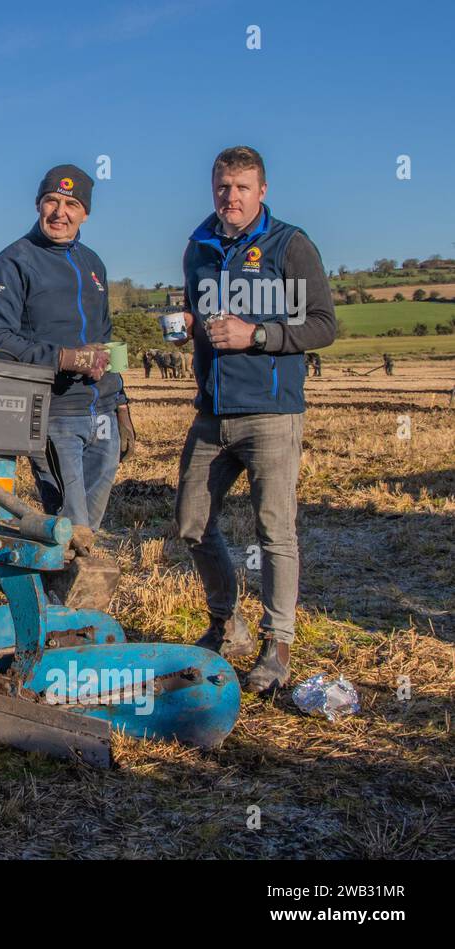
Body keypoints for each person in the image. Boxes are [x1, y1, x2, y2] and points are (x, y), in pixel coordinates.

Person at [174, 145, 337, 694]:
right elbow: (202, 320)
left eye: (242, 187)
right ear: (212, 188)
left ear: (262, 191)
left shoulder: (290, 245)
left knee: (275, 531)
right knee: (191, 522)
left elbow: (322, 326)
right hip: (211, 412)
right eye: (223, 186)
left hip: (271, 413)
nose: (231, 197)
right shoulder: (197, 248)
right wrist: (187, 328)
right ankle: (227, 623)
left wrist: (257, 335)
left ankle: (278, 643)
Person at [0, 164, 133, 545]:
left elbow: (107, 340)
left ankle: (63, 598)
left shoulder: (93, 264)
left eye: (72, 204)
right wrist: (65, 358)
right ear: (37, 204)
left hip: (103, 416)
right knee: (69, 532)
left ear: (86, 213)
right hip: (53, 415)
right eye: (52, 201)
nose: (60, 212)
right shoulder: (14, 261)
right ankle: (56, 601)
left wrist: (123, 407)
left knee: (87, 532)